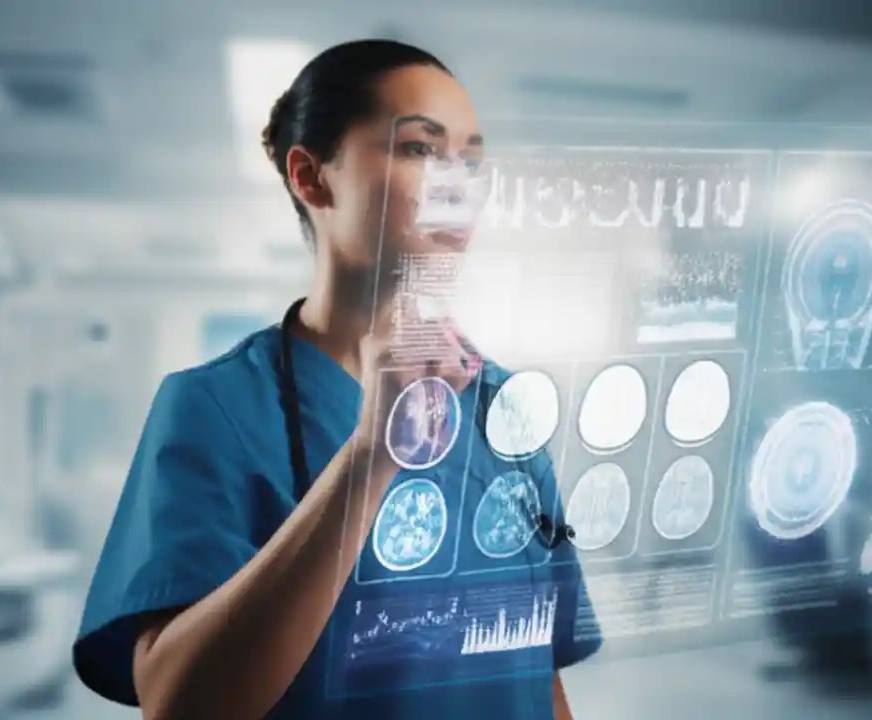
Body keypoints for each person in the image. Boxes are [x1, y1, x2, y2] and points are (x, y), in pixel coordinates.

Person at [72, 39, 599, 719]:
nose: (457, 183)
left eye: (470, 160)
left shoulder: (502, 407)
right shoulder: (214, 406)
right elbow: (177, 705)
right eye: (417, 149)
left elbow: (540, 673)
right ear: (313, 178)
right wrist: (373, 454)